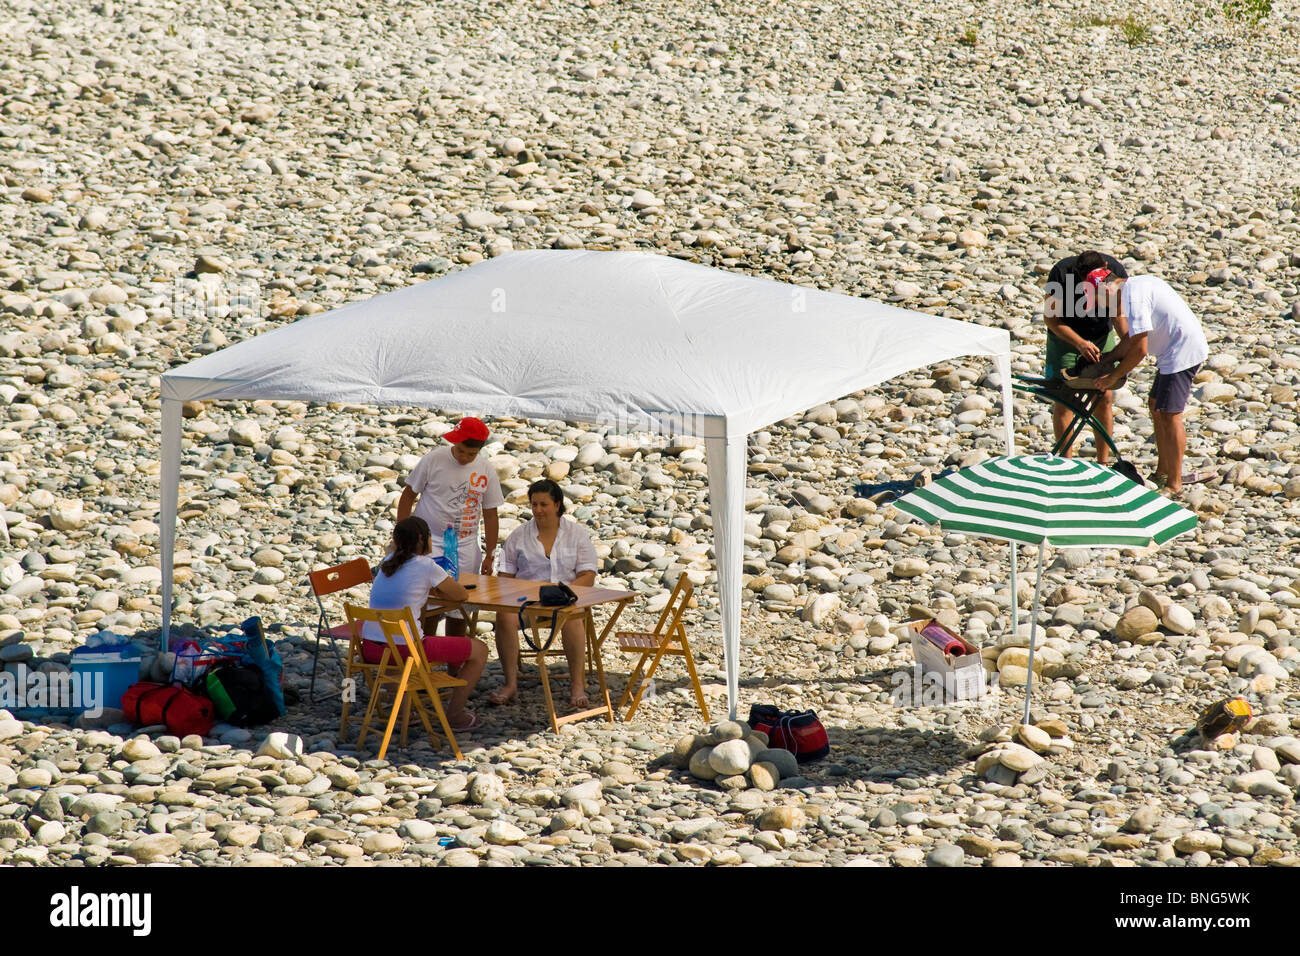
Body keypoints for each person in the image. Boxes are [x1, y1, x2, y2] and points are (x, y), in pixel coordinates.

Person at [1092, 271, 1209, 494]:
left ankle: (1174, 484)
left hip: (1181, 352)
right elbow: (1131, 340)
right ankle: (1163, 471)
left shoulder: (1132, 296)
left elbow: (1140, 349)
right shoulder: (1136, 285)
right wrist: (1108, 359)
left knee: (1170, 415)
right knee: (1156, 405)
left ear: (1107, 290)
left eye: (1104, 303)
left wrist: (1113, 377)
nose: (1109, 311)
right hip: (1172, 351)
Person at [366, 516, 487, 731]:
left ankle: (403, 713)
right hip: (404, 650)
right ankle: (455, 715)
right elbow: (460, 595)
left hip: (371, 648)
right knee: (480, 650)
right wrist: (438, 587)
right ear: (424, 540)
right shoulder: (425, 565)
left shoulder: (387, 562)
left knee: (397, 644)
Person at [488, 479, 599, 709]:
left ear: (557, 505)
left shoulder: (577, 534)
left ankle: (577, 686)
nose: (538, 510)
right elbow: (505, 576)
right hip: (526, 603)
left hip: (564, 600)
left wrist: (567, 594)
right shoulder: (519, 535)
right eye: (534, 504)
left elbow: (588, 574)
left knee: (574, 618)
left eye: (543, 504)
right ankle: (510, 684)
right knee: (503, 617)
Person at [396, 416, 504, 636]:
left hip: (465, 544)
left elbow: (491, 514)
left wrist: (490, 554)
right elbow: (408, 496)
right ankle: (425, 657)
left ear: (480, 450)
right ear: (455, 442)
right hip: (426, 541)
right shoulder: (434, 459)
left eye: (471, 454)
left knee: (460, 605)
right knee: (429, 601)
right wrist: (401, 538)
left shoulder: (486, 469)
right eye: (461, 450)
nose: (464, 457)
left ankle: (455, 665)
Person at [1042, 250, 1129, 464]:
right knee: (1064, 398)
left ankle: (1103, 462)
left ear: (1106, 266)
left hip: (1100, 335)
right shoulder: (1061, 273)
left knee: (1104, 397)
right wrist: (1079, 343)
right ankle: (1065, 462)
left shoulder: (1115, 272)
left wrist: (1128, 345)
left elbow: (1118, 314)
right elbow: (1051, 320)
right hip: (1065, 336)